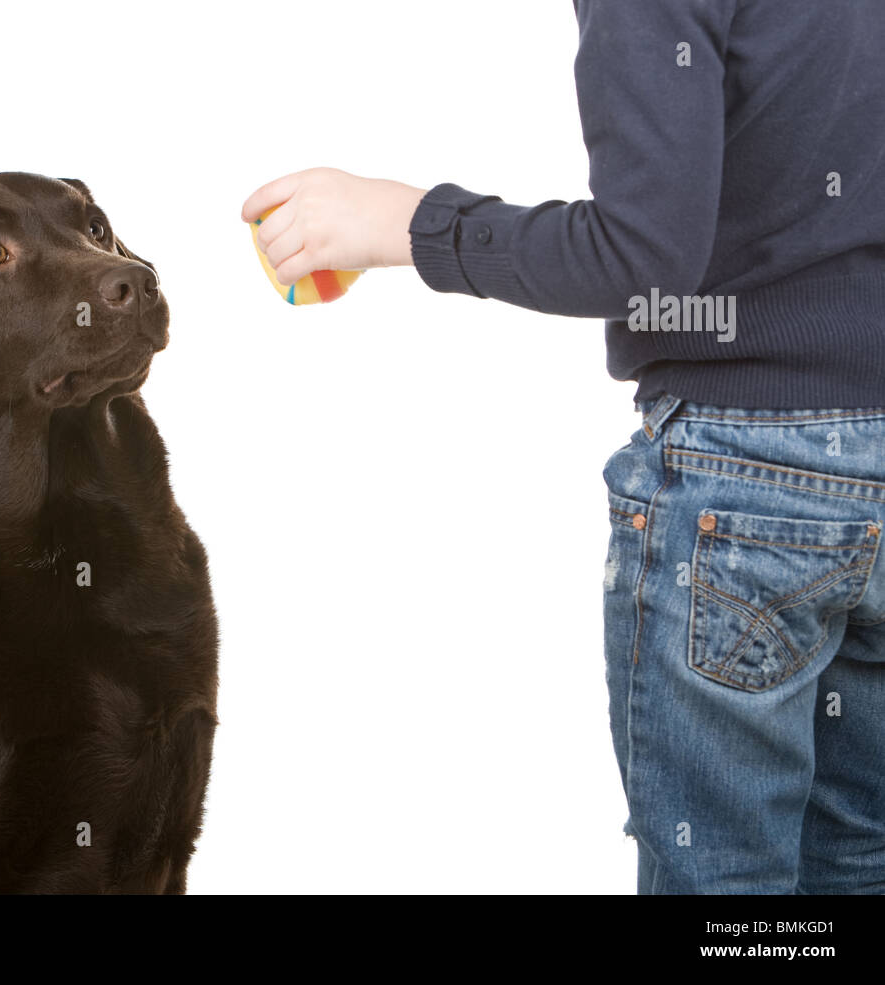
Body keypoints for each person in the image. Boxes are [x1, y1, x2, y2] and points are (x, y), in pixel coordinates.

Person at [242, 0, 885, 894]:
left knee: (725, 887)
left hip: (742, 493)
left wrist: (414, 222)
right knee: (857, 859)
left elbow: (643, 254)